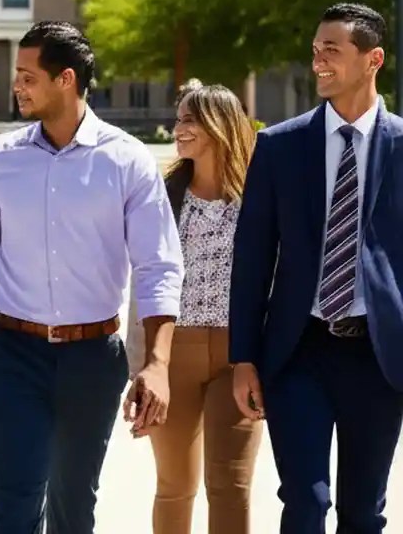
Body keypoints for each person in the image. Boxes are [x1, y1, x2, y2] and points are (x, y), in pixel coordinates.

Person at [0, 21, 184, 533]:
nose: (16, 85)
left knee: (73, 505)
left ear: (65, 79)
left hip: (92, 358)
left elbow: (158, 265)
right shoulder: (0, 158)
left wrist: (157, 363)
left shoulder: (127, 160)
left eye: (26, 76)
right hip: (12, 354)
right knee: (14, 503)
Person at [231, 2, 403, 533]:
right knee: (305, 502)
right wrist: (243, 359)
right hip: (297, 350)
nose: (318, 62)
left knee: (363, 511)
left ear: (373, 59)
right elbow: (253, 257)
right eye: (315, 50)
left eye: (332, 50)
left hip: (379, 357)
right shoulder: (279, 146)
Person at [125, 81, 263, 533]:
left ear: (219, 126)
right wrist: (142, 366)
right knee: (176, 484)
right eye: (179, 118)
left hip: (239, 356)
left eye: (189, 120)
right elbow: (143, 281)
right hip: (174, 354)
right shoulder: (163, 197)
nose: (178, 128)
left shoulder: (259, 197)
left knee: (231, 485)